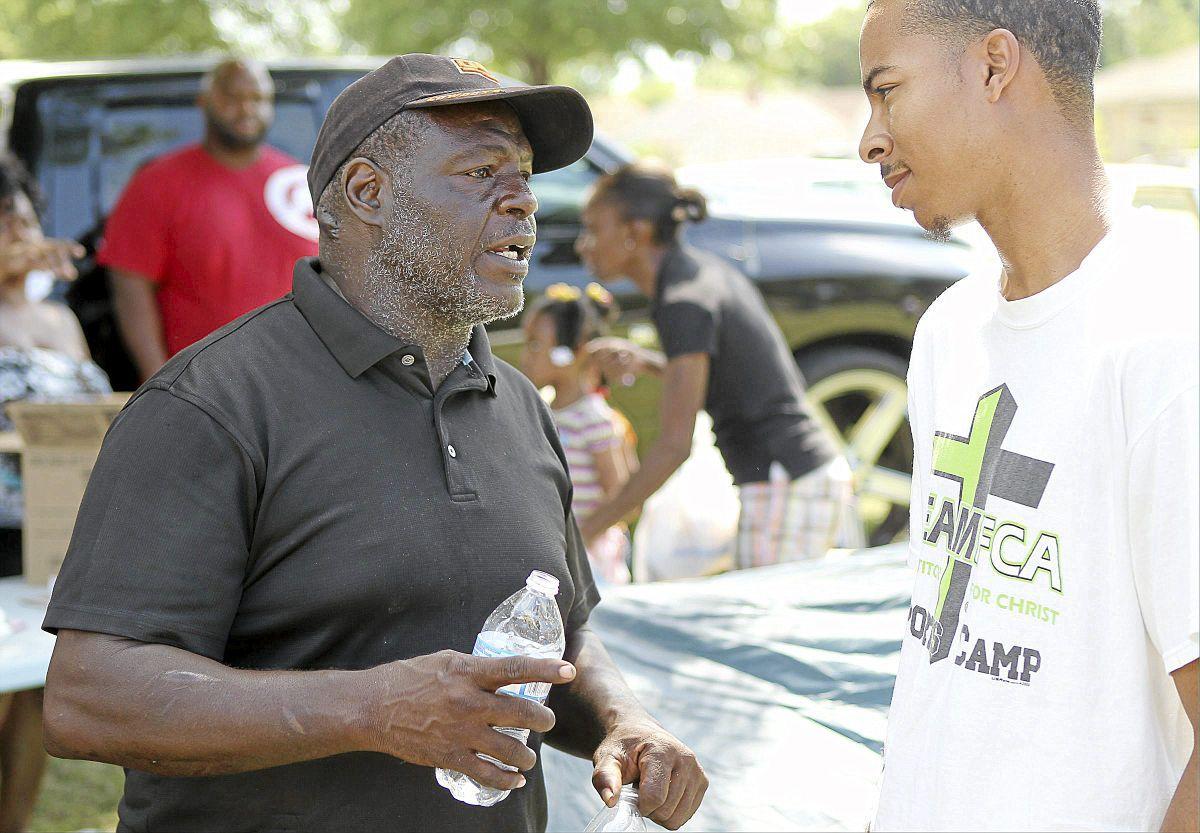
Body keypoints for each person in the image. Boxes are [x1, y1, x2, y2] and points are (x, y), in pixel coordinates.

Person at [40, 54, 706, 833]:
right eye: (482, 170)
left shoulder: (519, 405)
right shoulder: (209, 407)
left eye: (522, 173)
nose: (523, 200)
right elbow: (90, 696)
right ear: (367, 193)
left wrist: (626, 722)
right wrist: (372, 708)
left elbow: (565, 630)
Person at [858, 2, 1198, 830]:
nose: (868, 138)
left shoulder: (1167, 330)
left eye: (886, 91)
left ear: (995, 65)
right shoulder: (950, 330)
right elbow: (946, 656)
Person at [577, 164, 861, 570]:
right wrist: (648, 363)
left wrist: (589, 529)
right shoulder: (700, 273)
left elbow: (675, 446)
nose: (582, 245)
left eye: (593, 229)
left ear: (634, 232)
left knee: (764, 627)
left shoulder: (683, 300)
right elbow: (731, 375)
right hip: (795, 476)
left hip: (786, 482)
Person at [0, 153, 109, 833]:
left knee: (39, 692)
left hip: (52, 535)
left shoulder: (60, 320)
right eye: (1, 218)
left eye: (24, 215)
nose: (17, 228)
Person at [100, 58, 319, 382]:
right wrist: (158, 382)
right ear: (204, 102)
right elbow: (131, 289)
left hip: (300, 379)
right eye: (232, 97)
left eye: (257, 99)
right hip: (203, 388)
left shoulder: (299, 182)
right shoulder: (157, 182)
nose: (246, 109)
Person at [519, 282, 639, 584]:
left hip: (590, 562)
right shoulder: (542, 409)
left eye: (536, 345)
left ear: (573, 351)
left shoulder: (595, 421)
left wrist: (581, 538)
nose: (526, 356)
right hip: (555, 553)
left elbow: (628, 500)